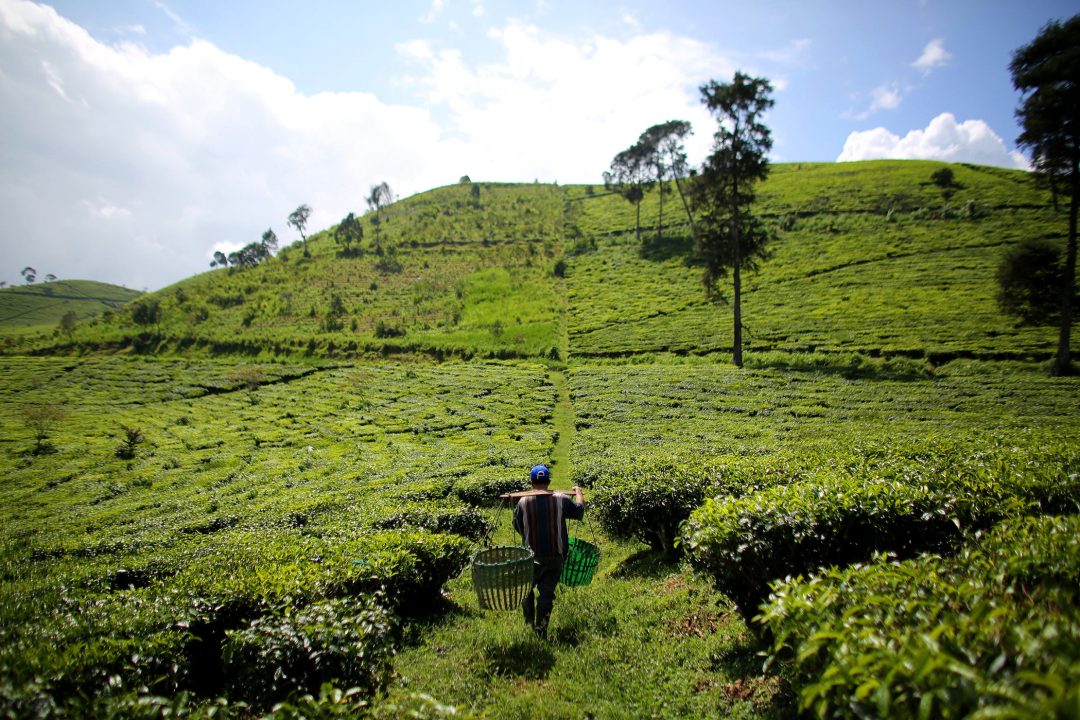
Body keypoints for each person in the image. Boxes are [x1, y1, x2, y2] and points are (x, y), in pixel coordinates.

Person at [512, 464, 585, 638]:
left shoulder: (522, 502)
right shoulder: (560, 499)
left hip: (530, 557)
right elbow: (579, 512)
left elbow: (517, 526)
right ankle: (541, 629)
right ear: (549, 481)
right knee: (547, 593)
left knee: (526, 589)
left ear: (531, 482)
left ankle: (529, 622)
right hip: (555, 556)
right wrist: (579, 492)